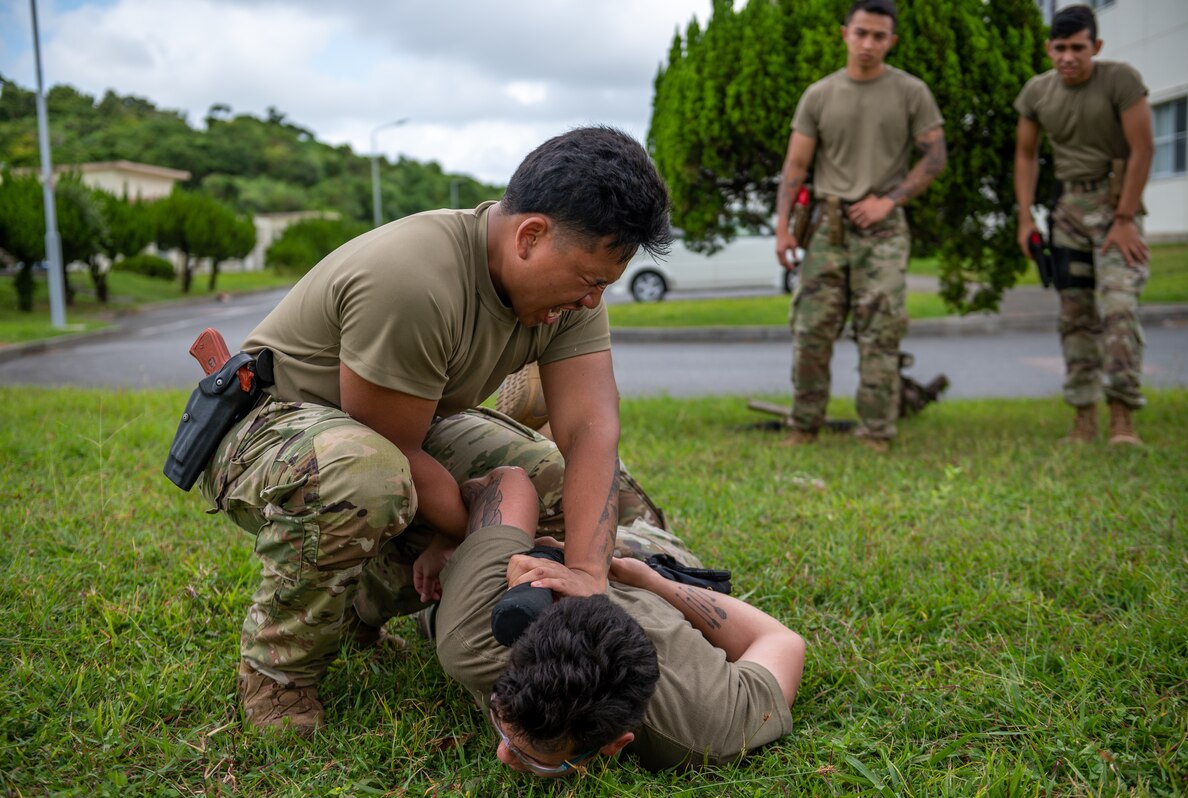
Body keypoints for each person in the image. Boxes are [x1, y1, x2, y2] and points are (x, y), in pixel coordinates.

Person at [196, 126, 672, 734]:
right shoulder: (414, 277)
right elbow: (390, 444)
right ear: (531, 236)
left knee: (557, 480)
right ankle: (280, 671)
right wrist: (484, 522)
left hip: (398, 433)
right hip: (272, 431)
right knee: (366, 477)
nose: (590, 301)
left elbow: (591, 431)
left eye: (602, 285)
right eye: (589, 281)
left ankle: (366, 601)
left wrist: (586, 574)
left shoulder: (574, 292)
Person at [434, 466, 808, 775]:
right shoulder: (473, 635)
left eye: (537, 760)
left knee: (429, 598)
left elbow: (780, 640)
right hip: (591, 554)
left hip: (641, 564)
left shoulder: (705, 727)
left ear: (615, 744)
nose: (503, 755)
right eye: (500, 720)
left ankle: (569, 442)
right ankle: (555, 427)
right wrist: (452, 536)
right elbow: (507, 479)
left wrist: (650, 581)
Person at [773, 0, 946, 453]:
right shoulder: (820, 94)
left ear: (892, 40)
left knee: (880, 331)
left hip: (883, 231)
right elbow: (795, 166)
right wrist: (784, 229)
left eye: (879, 35)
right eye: (861, 33)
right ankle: (804, 425)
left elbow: (935, 157)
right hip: (827, 228)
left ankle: (876, 432)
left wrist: (889, 201)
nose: (868, 43)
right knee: (810, 330)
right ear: (844, 33)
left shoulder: (911, 92)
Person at [1014, 5, 1154, 446]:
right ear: (1048, 49)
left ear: (1095, 46)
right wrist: (1024, 218)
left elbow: (1143, 148)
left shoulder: (1120, 80)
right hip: (1068, 212)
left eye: (1078, 48)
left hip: (1116, 206)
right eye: (1060, 48)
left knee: (1118, 309)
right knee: (1075, 316)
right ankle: (1082, 420)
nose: (1068, 57)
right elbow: (1025, 155)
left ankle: (1122, 419)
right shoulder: (1037, 92)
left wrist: (1127, 218)